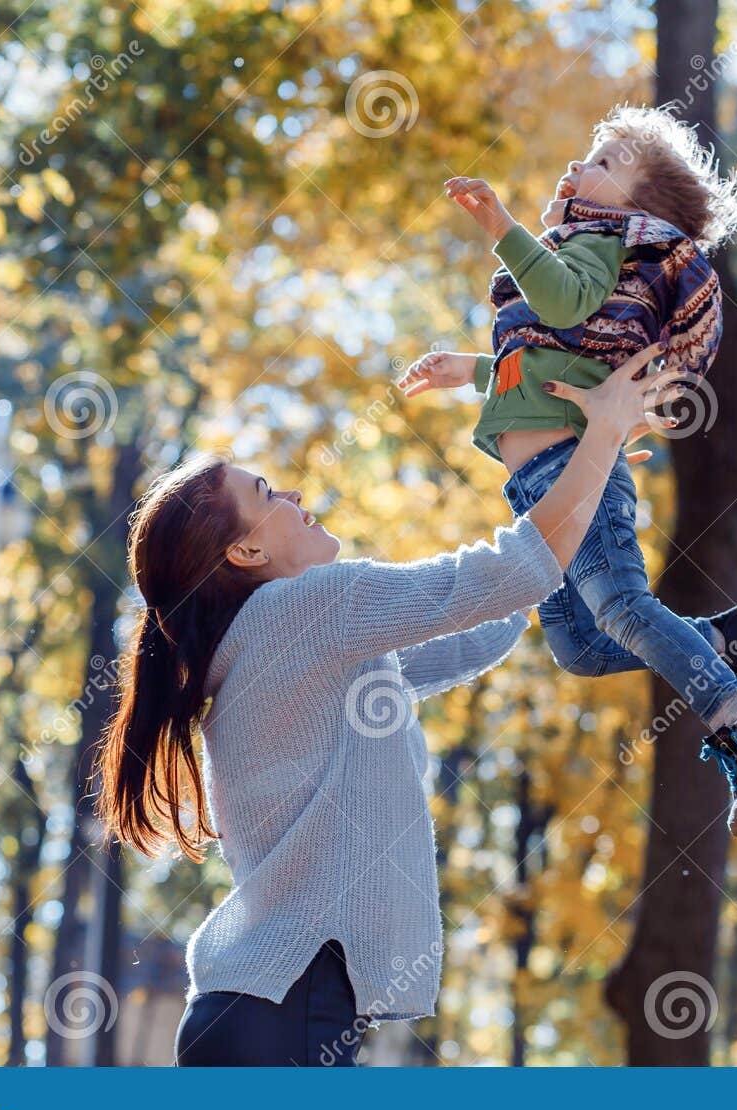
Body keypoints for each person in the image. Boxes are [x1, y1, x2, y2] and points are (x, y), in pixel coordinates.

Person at [92, 346, 683, 1066]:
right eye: (266, 492)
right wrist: (597, 440)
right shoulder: (306, 610)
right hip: (287, 1007)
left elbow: (488, 623)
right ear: (244, 551)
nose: (293, 496)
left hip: (263, 1008)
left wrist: (579, 489)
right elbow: (502, 575)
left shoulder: (272, 652)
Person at [398, 103, 737, 837]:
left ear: (635, 212)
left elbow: (563, 298)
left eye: (606, 163)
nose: (582, 166)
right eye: (591, 152)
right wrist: (474, 370)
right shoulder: (589, 247)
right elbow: (551, 368)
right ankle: (723, 638)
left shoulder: (596, 247)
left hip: (569, 469)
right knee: (580, 647)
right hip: (539, 480)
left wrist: (503, 230)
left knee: (619, 608)